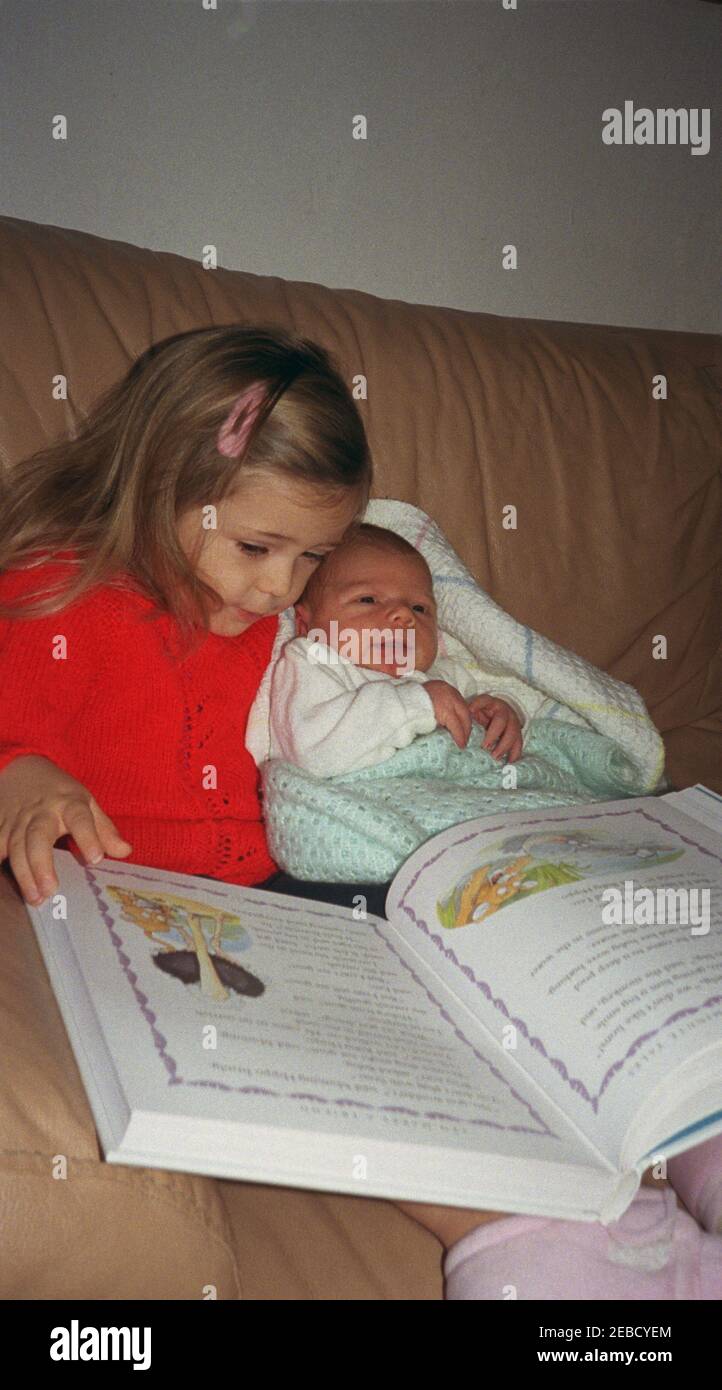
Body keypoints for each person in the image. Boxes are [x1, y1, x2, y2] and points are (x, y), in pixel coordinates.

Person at [0, 325, 719, 1300]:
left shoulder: (286, 615)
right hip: (162, 922)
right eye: (260, 548)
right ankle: (563, 1245)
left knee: (490, 975)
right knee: (384, 1071)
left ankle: (684, 1118)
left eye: (313, 557)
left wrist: (478, 710)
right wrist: (20, 772)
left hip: (311, 881)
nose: (282, 589)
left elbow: (404, 685)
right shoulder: (56, 591)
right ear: (156, 480)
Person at [248, 522, 542, 778]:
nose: (403, 614)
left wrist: (502, 714)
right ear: (304, 624)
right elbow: (312, 753)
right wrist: (417, 704)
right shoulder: (313, 663)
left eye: (419, 608)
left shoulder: (443, 676)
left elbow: (482, 715)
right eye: (368, 600)